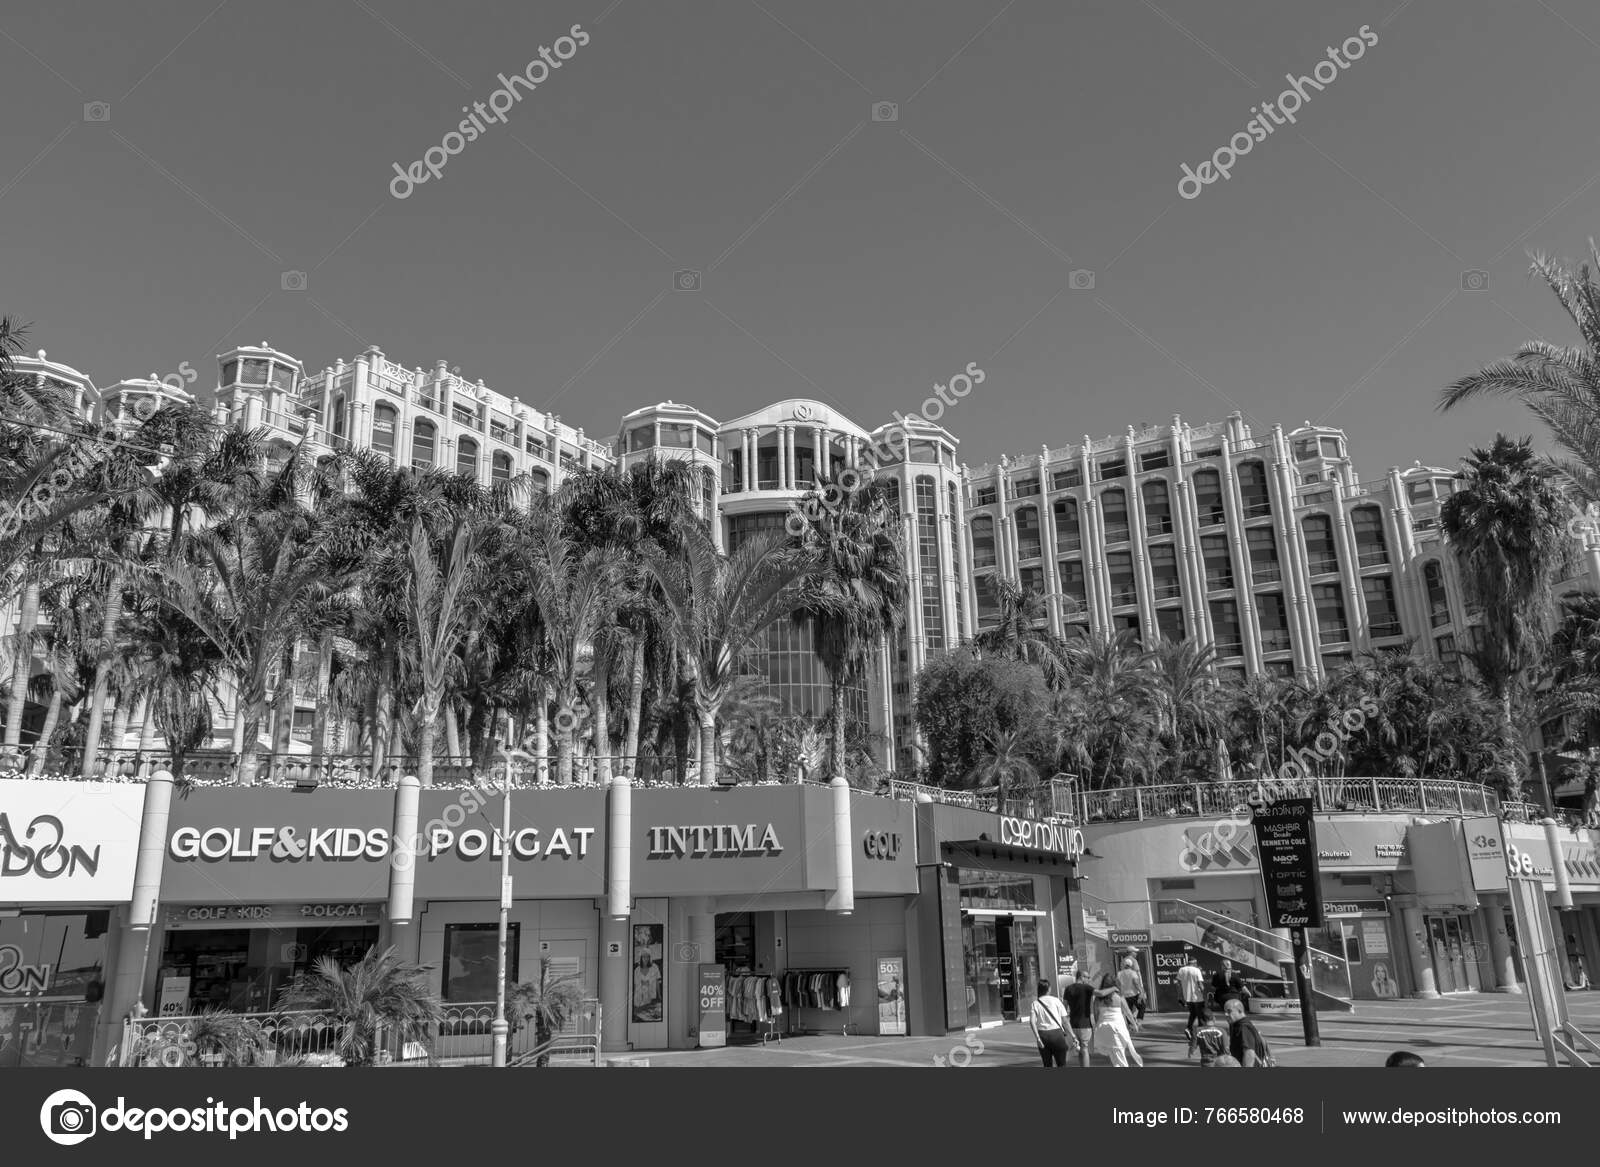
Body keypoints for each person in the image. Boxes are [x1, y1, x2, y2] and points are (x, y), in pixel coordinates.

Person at [1092, 973, 1144, 1067]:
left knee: (1114, 1055)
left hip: (1103, 1027)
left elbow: (1096, 1014)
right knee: (1119, 1053)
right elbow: (1128, 1012)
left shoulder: (1098, 998)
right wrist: (1134, 1024)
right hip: (1117, 1028)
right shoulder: (1118, 996)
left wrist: (1097, 1027)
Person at [1029, 979, 1071, 1067]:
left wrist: (1038, 1038)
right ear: (1049, 989)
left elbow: (1032, 1021)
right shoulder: (1056, 1000)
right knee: (1061, 1063)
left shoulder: (1035, 1003)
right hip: (1057, 1035)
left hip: (1043, 1035)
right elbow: (1065, 1020)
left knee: (1047, 1064)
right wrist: (1073, 1035)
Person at [1061, 969, 1096, 1068]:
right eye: (1088, 977)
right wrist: (1113, 988)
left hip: (1072, 1024)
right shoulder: (1087, 987)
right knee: (1084, 1049)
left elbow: (1064, 1006)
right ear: (1082, 977)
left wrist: (1064, 1021)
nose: (1089, 979)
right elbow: (1100, 993)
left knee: (1075, 1049)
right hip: (1085, 1023)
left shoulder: (1068, 989)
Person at [1224, 996, 1270, 1067]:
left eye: (1229, 1011)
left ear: (1240, 1010)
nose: (1226, 1014)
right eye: (1225, 1011)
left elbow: (1249, 1053)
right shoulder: (1238, 1025)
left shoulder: (1243, 1027)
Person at [1177, 954, 1207, 1055]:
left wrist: (1180, 996)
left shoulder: (1181, 970)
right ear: (1193, 962)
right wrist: (1203, 993)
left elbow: (1178, 984)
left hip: (1188, 998)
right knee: (1201, 1018)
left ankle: (1188, 1028)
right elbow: (1201, 985)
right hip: (1198, 998)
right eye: (1196, 963)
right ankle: (1200, 1036)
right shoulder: (1196, 970)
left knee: (1193, 1014)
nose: (1196, 964)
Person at [1116, 956, 1147, 1026]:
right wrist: (1141, 992)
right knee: (1142, 1006)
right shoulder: (1133, 973)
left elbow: (1117, 985)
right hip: (1133, 994)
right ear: (1131, 965)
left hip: (1124, 995)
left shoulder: (1119, 974)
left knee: (1128, 1010)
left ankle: (1130, 1025)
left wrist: (1119, 994)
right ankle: (1138, 1022)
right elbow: (1136, 983)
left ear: (1124, 965)